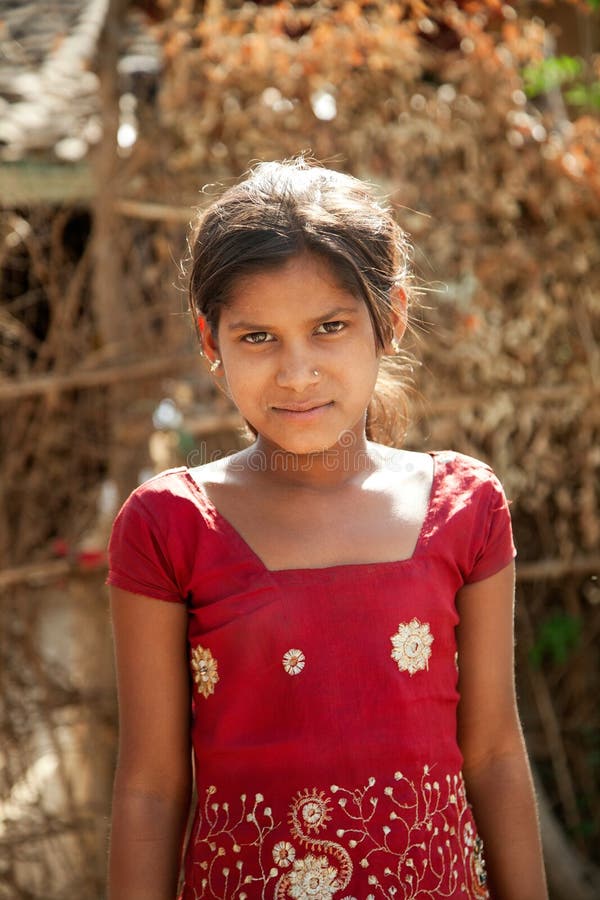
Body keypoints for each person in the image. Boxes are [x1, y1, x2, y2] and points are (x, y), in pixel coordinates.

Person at [107, 159, 548, 900]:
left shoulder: (464, 507)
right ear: (209, 339)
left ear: (393, 317)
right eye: (258, 338)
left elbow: (496, 753)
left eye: (330, 328)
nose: (298, 372)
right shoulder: (170, 525)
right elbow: (150, 788)